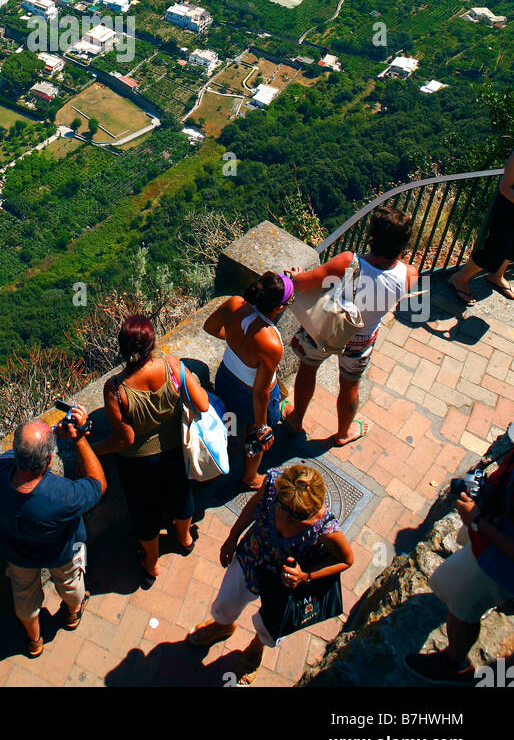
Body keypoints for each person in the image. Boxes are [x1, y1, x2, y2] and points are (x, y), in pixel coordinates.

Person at [188, 462, 353, 684]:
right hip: (250, 557)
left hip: (284, 583)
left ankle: (255, 650)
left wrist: (306, 576)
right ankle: (222, 625)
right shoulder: (272, 484)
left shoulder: (325, 527)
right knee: (226, 601)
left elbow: (346, 559)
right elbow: (253, 505)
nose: (290, 519)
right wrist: (232, 537)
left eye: (300, 515)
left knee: (271, 626)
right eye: (285, 508)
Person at [283, 205, 419, 447]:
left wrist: (296, 274)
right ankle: (343, 433)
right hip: (361, 338)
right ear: (402, 245)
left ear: (373, 237)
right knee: (350, 385)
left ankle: (296, 420)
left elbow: (302, 283)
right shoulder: (410, 274)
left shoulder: (349, 262)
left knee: (307, 369)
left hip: (324, 329)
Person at [93, 314, 209, 588]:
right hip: (174, 450)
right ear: (153, 343)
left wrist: (91, 448)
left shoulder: (116, 389)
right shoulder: (171, 365)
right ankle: (184, 539)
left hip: (138, 464)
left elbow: (124, 439)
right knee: (181, 494)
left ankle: (152, 563)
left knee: (144, 512)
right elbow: (202, 404)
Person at [0, 411, 105, 658]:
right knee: (71, 582)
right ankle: (73, 613)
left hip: (17, 553)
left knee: (24, 595)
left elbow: (13, 456)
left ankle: (34, 639)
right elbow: (98, 485)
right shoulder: (60, 496)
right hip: (61, 551)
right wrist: (79, 438)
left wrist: (50, 433)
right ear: (50, 459)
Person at [405, 445, 514, 685]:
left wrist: (477, 521)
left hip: (497, 563)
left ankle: (454, 664)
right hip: (493, 532)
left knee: (462, 607)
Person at [202, 271, 292, 489]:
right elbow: (260, 392)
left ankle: (227, 449)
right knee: (254, 436)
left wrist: (236, 340)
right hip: (251, 396)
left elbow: (210, 327)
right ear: (279, 307)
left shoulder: (234, 304)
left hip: (226, 379)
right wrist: (262, 428)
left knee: (229, 419)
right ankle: (250, 477)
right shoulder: (271, 343)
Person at [449, 151, 514, 305]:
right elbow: (505, 188)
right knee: (494, 250)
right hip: (508, 210)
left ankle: (497, 276)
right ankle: (459, 278)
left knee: (513, 249)